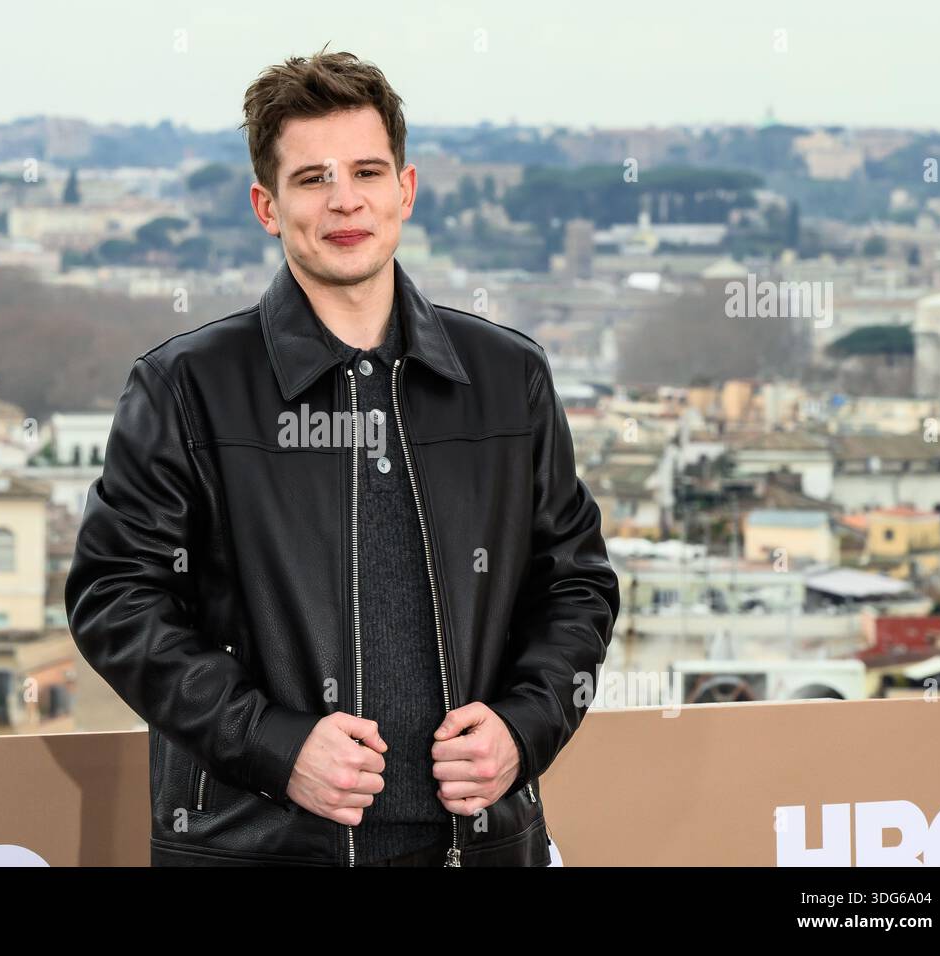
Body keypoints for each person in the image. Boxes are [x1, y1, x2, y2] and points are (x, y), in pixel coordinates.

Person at [65, 46, 621, 867]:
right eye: (312, 178)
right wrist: (274, 745)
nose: (344, 200)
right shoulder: (186, 386)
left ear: (407, 188)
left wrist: (523, 729)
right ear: (266, 204)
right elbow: (114, 600)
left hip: (483, 848)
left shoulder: (509, 378)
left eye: (366, 170)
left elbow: (576, 583)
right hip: (260, 846)